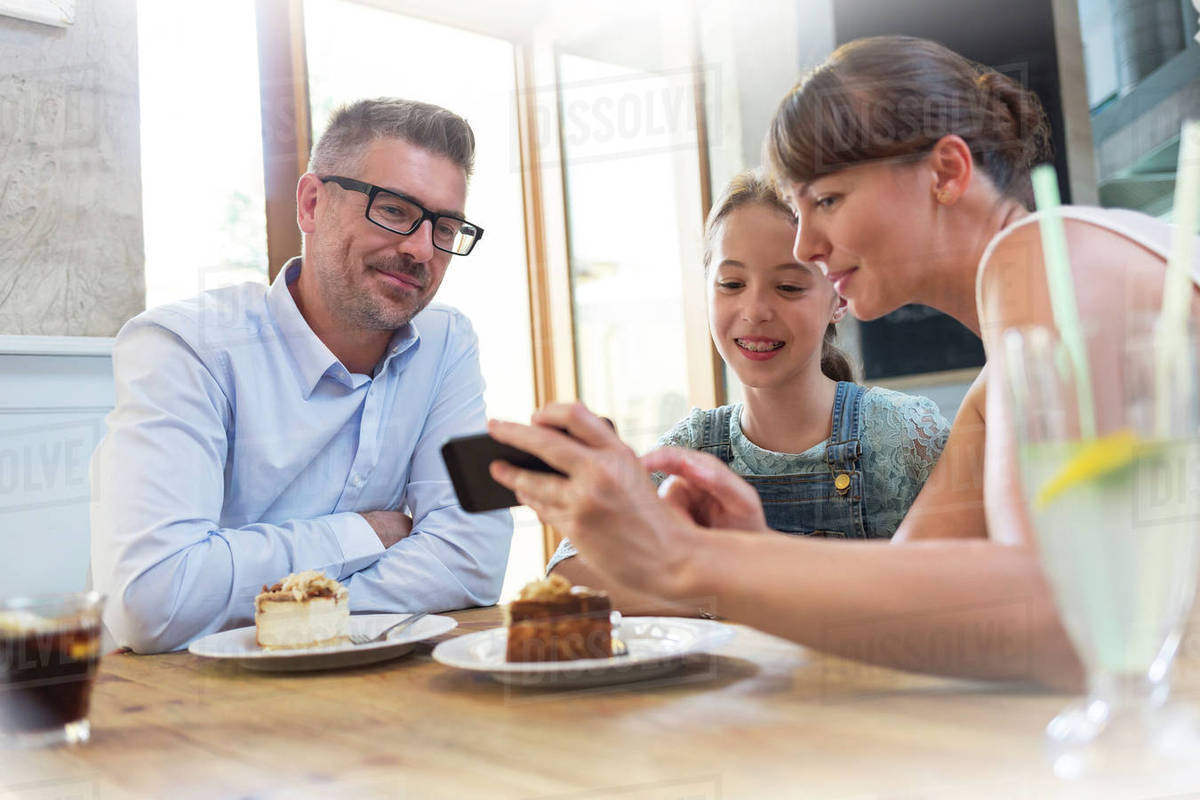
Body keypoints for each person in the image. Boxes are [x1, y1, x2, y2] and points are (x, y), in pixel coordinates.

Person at [487, 36, 1200, 688]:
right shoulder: (1005, 369)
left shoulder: (1049, 259)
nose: (804, 247)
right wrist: (756, 554)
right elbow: (912, 593)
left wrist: (690, 558)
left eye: (826, 198)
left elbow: (1076, 621)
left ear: (946, 171)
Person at [91, 98, 513, 653]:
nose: (419, 249)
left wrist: (275, 605)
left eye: (446, 227)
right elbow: (155, 600)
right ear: (312, 204)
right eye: (392, 210)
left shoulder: (448, 343)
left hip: (378, 695)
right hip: (194, 703)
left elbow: (472, 561)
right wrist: (369, 533)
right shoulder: (187, 347)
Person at [546, 170, 949, 611]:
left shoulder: (906, 434)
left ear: (839, 298)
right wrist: (728, 592)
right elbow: (570, 574)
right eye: (731, 284)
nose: (755, 311)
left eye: (788, 287)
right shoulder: (693, 449)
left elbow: (963, 583)